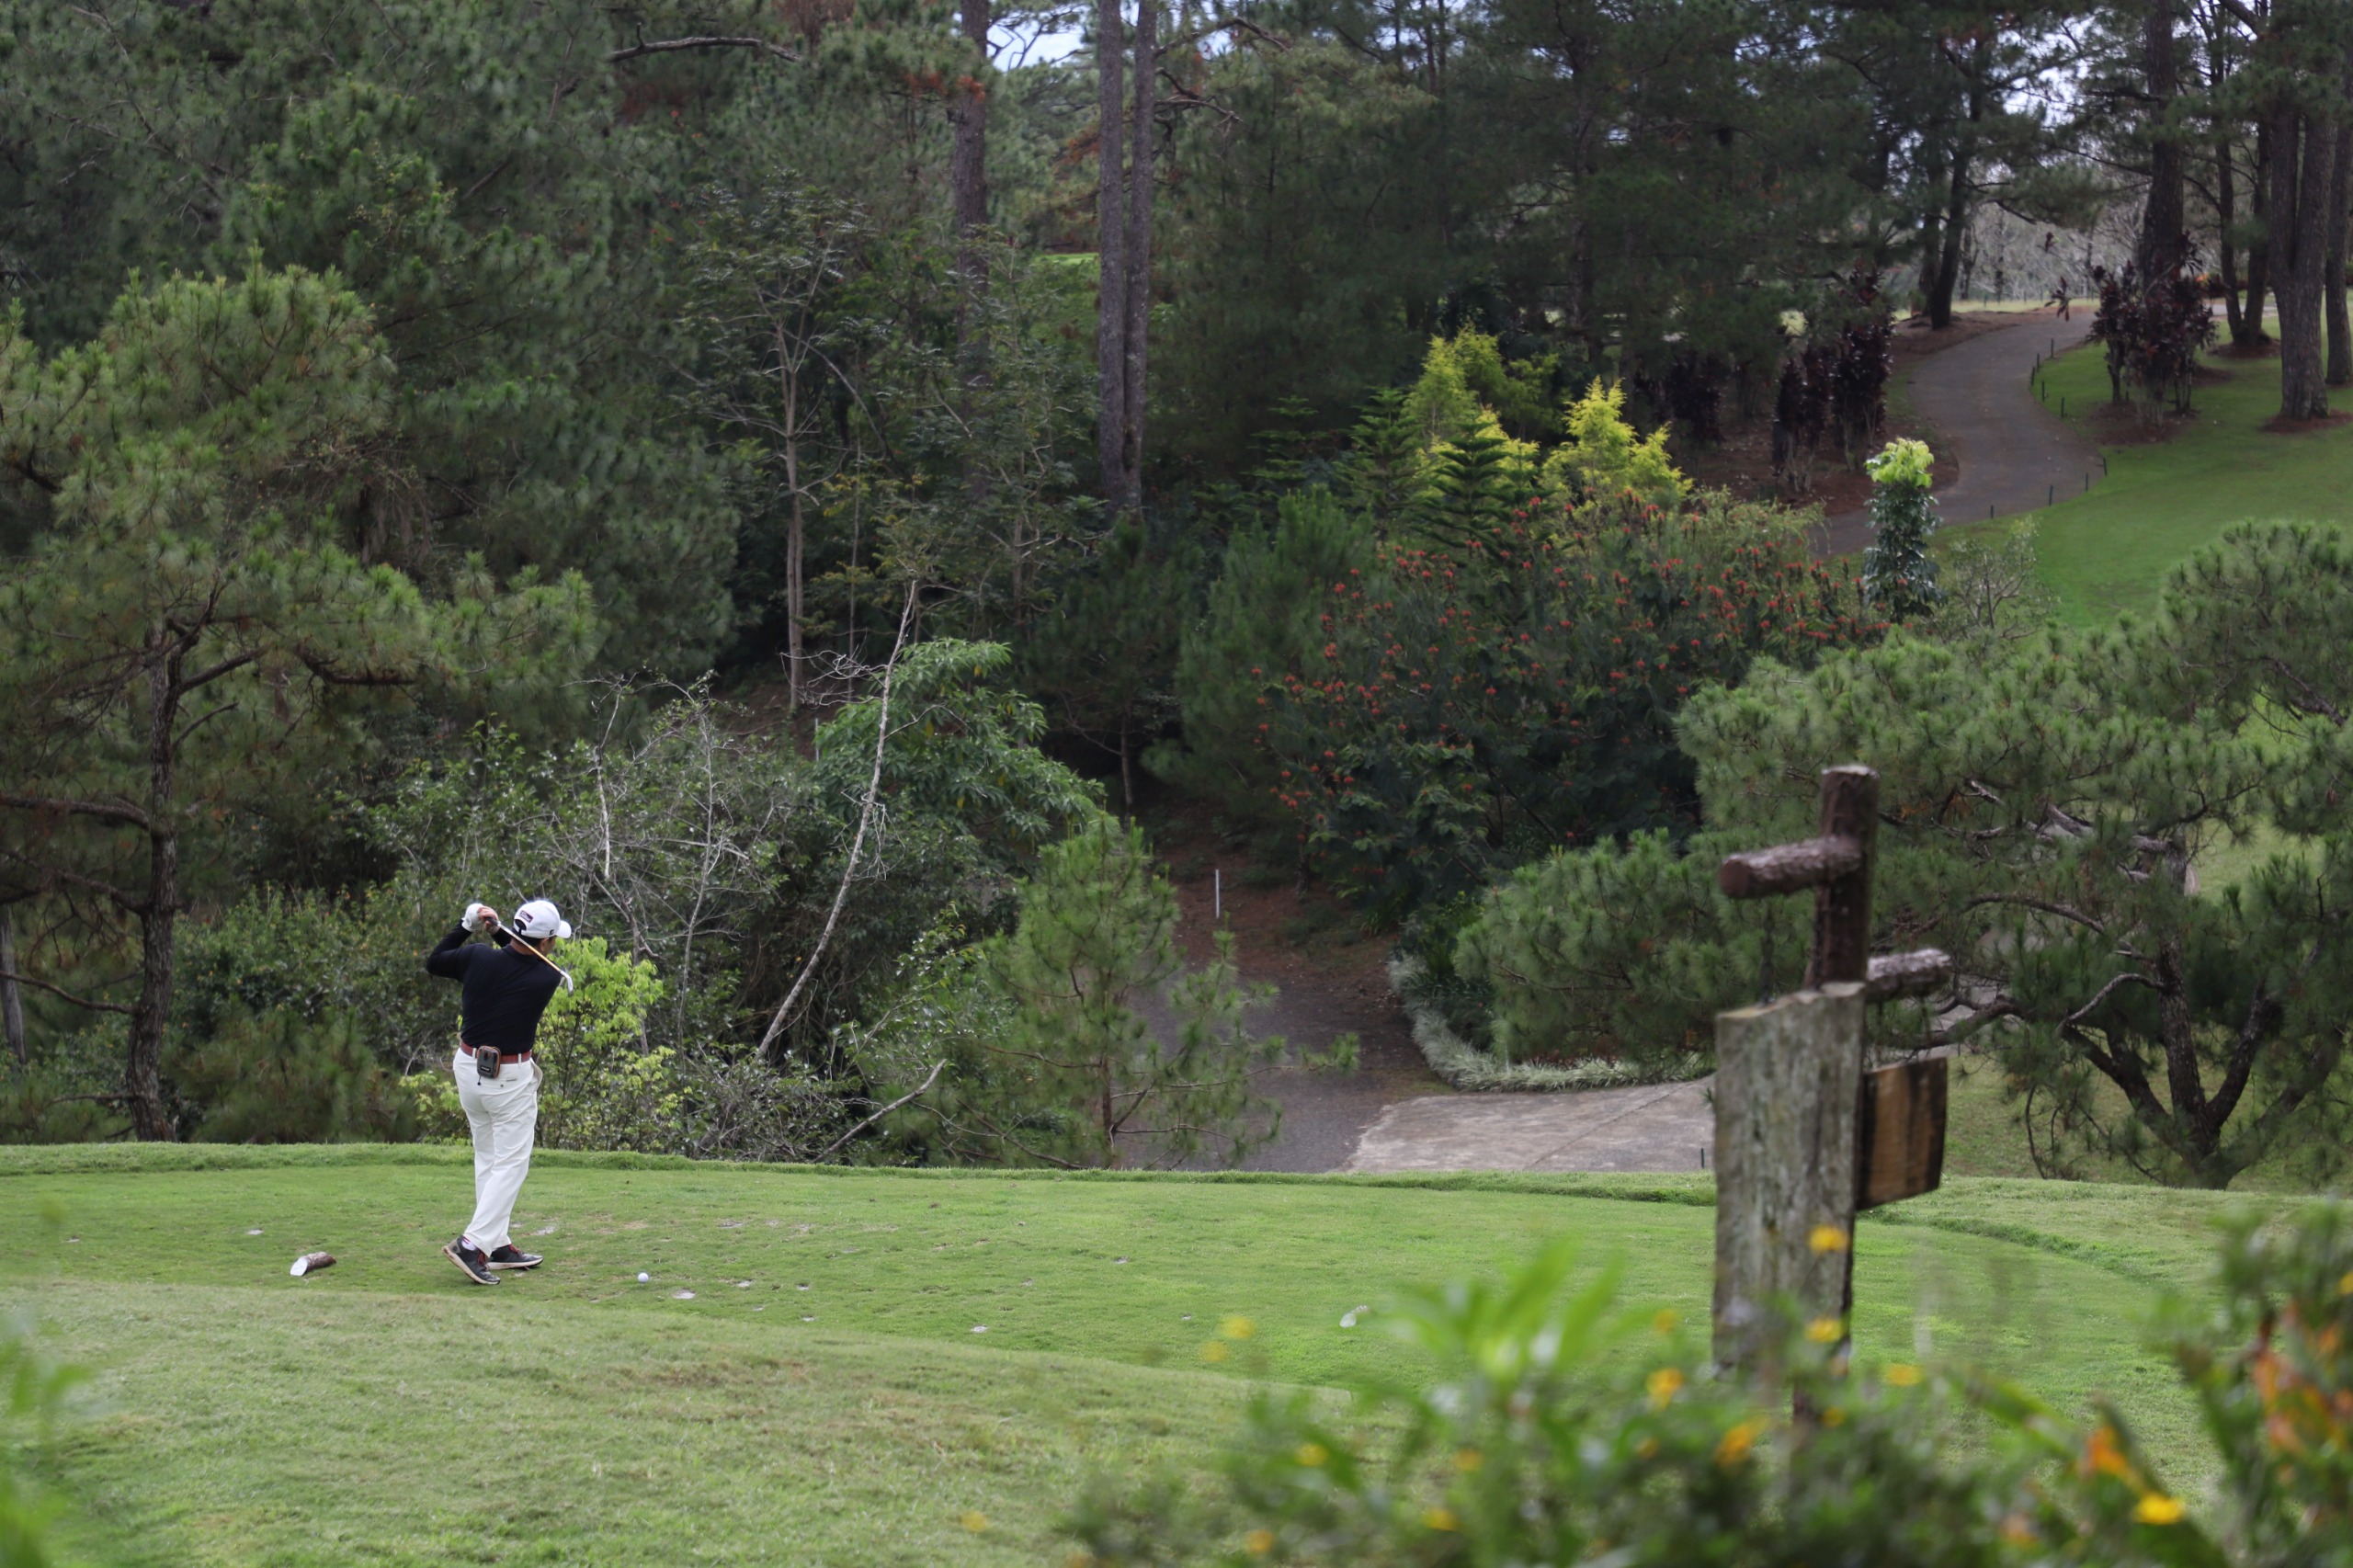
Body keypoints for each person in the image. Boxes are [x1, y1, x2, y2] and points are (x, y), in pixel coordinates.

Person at [426, 898, 574, 1285]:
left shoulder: (477, 957)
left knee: (489, 1158)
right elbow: (523, 960)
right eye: (553, 940)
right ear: (544, 945)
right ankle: (472, 1245)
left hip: (467, 1069)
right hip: (508, 1079)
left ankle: (498, 1244)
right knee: (510, 1164)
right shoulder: (548, 977)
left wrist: (468, 924)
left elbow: (436, 960)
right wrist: (496, 932)